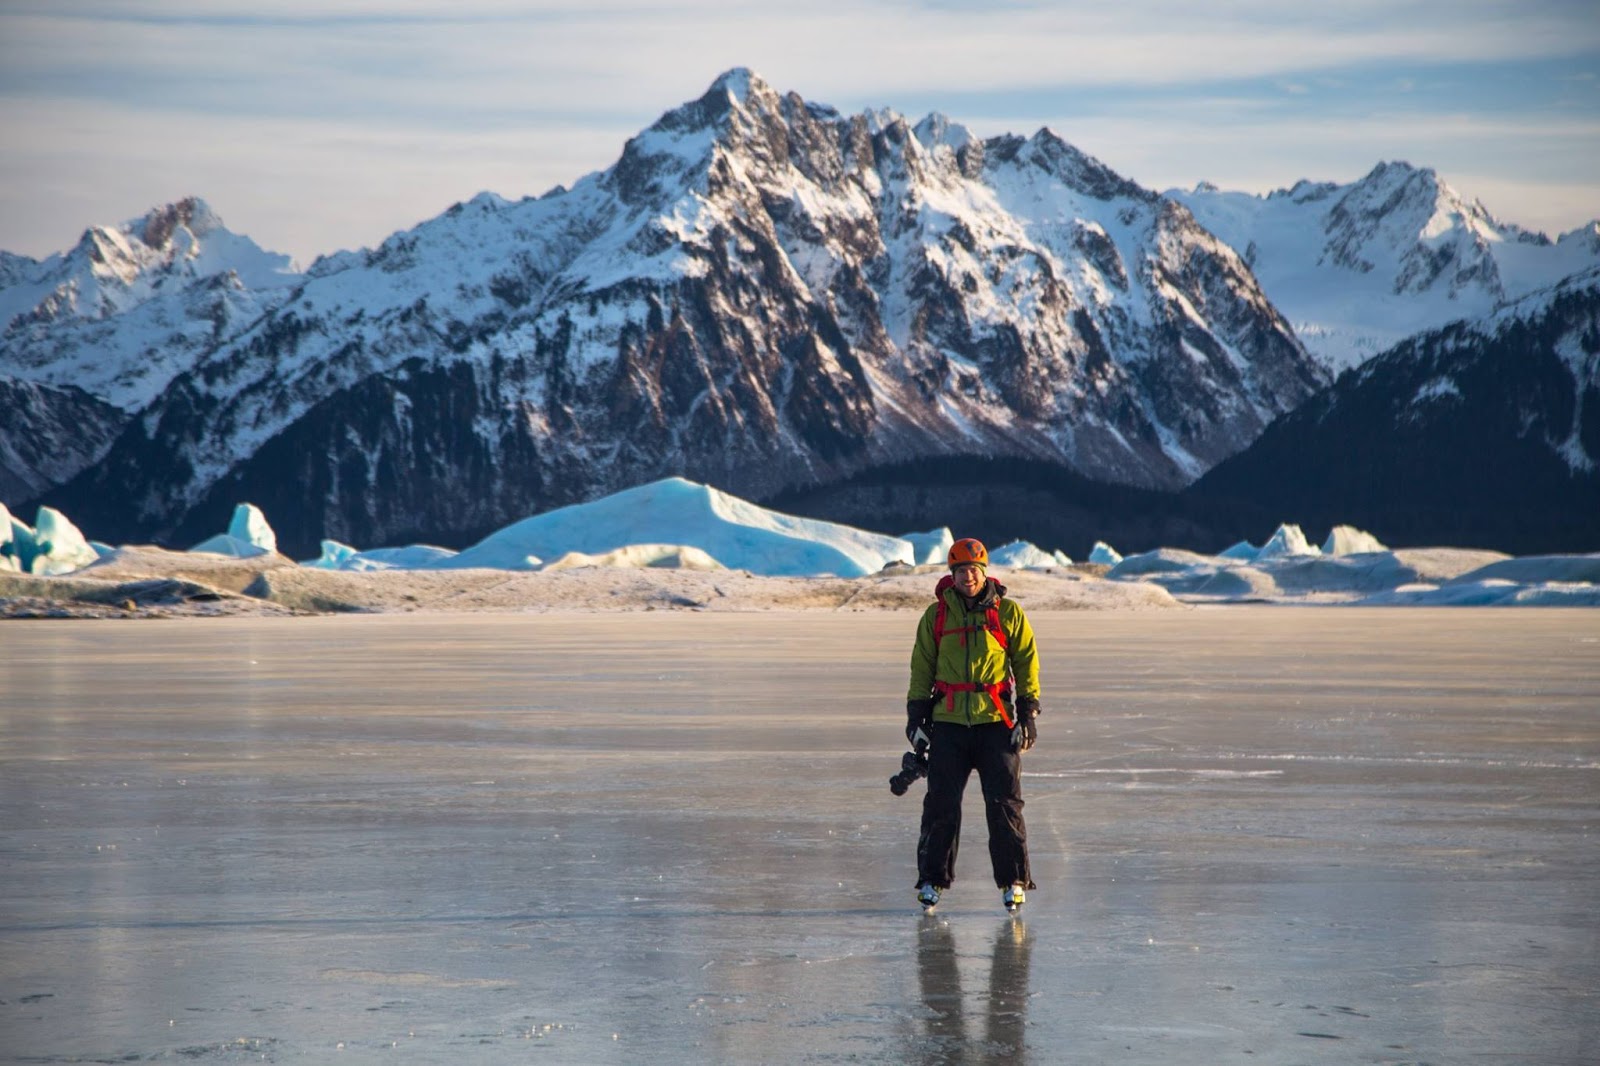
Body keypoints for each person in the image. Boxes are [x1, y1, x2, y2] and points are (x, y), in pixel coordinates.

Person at [905, 537, 1041, 912]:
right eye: (962, 570)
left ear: (985, 574)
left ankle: (1013, 881)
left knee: (1004, 806)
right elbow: (922, 667)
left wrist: (1028, 711)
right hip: (947, 723)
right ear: (953, 574)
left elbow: (1026, 661)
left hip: (995, 722)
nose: (968, 577)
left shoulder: (1007, 613)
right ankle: (932, 880)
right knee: (941, 805)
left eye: (974, 571)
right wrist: (915, 717)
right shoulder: (936, 617)